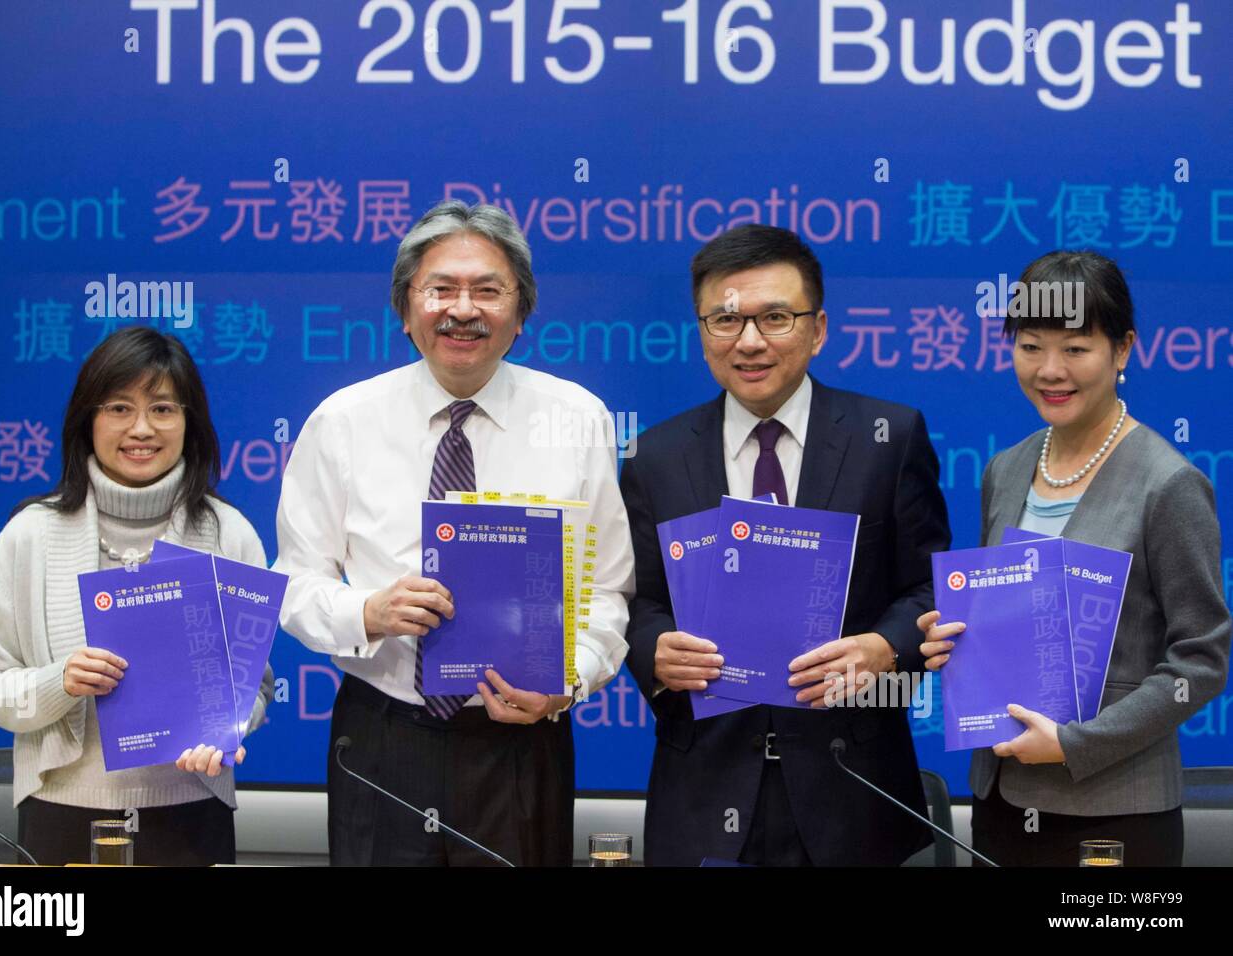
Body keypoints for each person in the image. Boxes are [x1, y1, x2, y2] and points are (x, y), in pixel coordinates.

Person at [273, 200, 634, 866]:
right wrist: (369, 611)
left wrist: (570, 680)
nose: (462, 309)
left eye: (488, 291)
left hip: (523, 738)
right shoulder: (342, 422)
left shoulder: (575, 419)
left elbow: (609, 589)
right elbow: (294, 583)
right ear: (406, 309)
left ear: (520, 312)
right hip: (385, 734)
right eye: (440, 288)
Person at [621, 224, 952, 866]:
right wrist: (652, 649)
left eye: (776, 317)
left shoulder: (887, 437)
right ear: (701, 329)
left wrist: (886, 648)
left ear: (818, 328)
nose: (749, 341)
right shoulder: (655, 456)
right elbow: (634, 601)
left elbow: (929, 586)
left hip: (852, 789)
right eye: (726, 319)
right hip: (703, 790)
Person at [919, 250, 1230, 866]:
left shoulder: (1168, 483)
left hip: (1113, 813)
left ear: (1123, 350)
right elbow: (1003, 616)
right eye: (1031, 346)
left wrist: (1074, 742)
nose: (1050, 370)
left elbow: (1202, 661)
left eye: (1077, 349)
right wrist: (953, 640)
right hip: (1001, 801)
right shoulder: (1006, 469)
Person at [0, 326, 275, 866]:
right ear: (88, 419)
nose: (141, 429)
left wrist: (227, 726)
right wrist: (57, 682)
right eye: (118, 408)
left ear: (189, 422)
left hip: (191, 813)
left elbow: (256, 687)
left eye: (162, 408)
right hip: (59, 811)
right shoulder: (29, 536)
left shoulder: (230, 535)